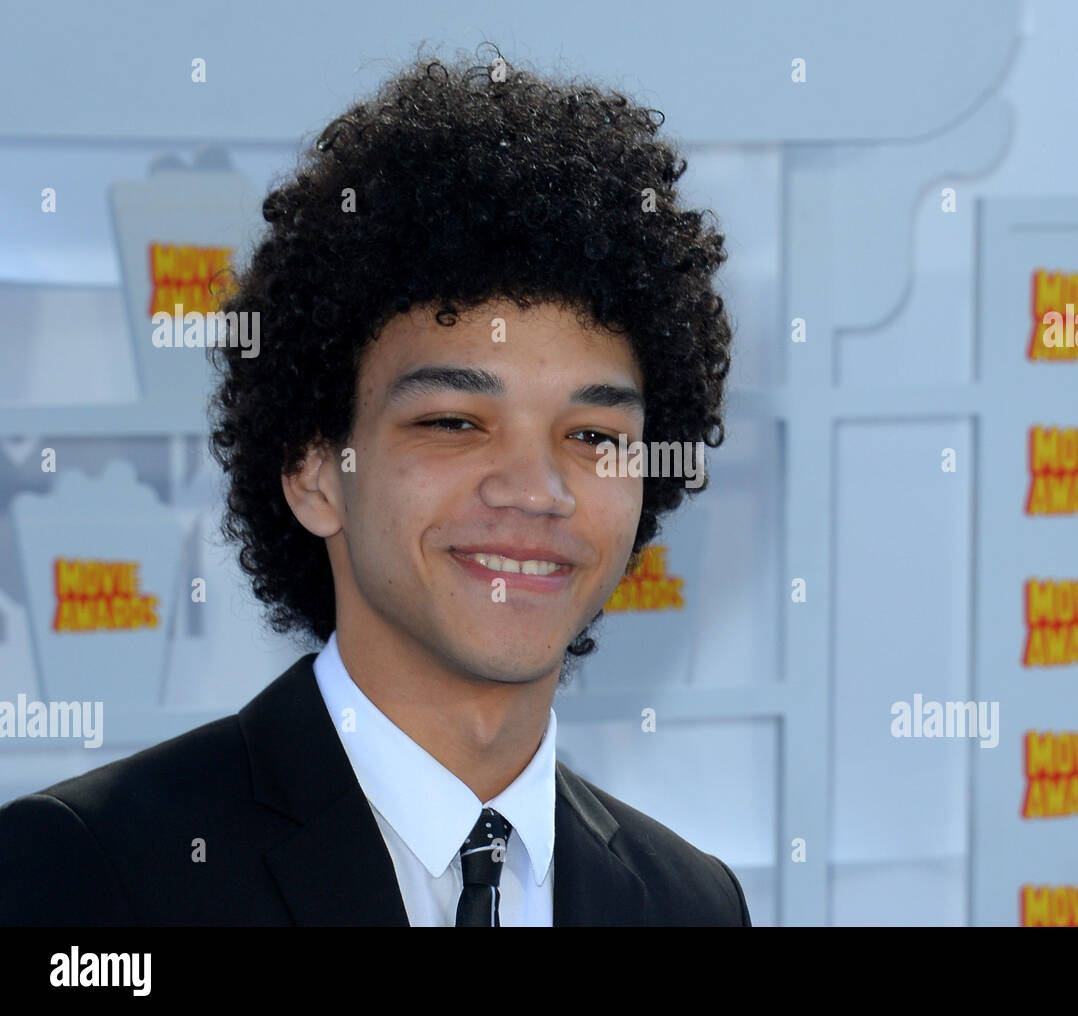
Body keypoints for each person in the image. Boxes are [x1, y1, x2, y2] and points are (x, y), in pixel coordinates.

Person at [0, 43, 748, 927]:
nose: (536, 488)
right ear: (312, 469)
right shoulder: (95, 872)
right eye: (454, 424)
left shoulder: (690, 903)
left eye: (592, 436)